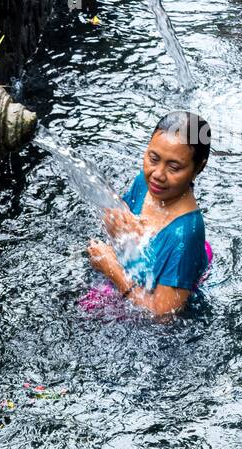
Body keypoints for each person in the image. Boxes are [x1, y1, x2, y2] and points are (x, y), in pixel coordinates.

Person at [86, 111, 212, 317]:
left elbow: (163, 315)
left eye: (174, 167)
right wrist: (114, 226)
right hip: (142, 275)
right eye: (153, 158)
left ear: (199, 166)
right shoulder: (145, 183)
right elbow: (119, 222)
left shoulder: (184, 234)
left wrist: (112, 269)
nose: (158, 174)